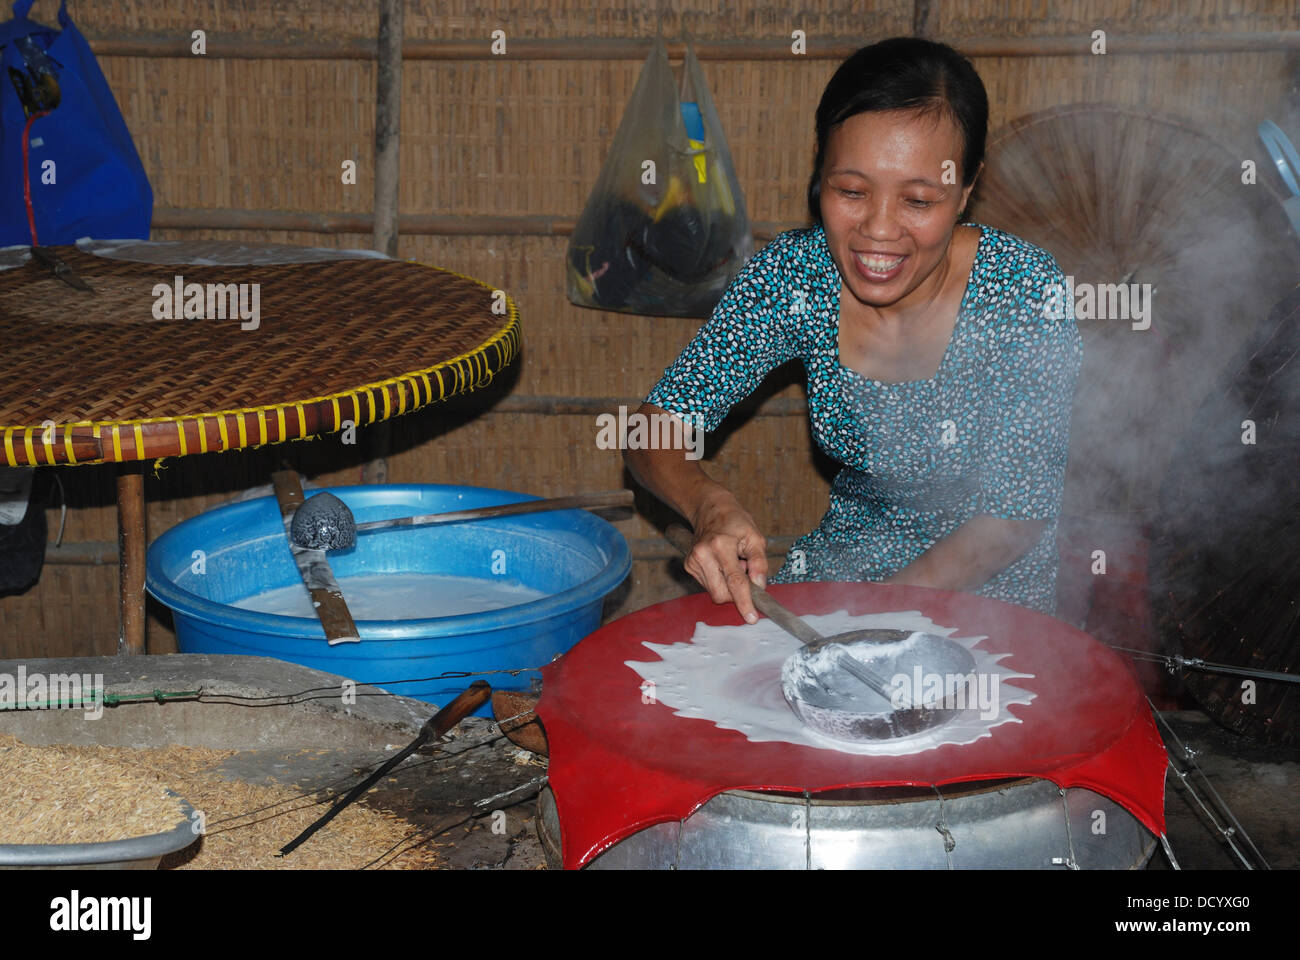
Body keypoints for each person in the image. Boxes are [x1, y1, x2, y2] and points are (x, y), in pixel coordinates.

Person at [624, 36, 1083, 622]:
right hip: (847, 569)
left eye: (919, 200)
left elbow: (1017, 513)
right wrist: (709, 505)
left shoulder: (1022, 289)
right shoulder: (796, 274)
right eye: (851, 191)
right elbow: (652, 429)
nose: (879, 231)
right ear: (819, 168)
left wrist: (871, 619)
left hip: (993, 598)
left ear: (967, 189)